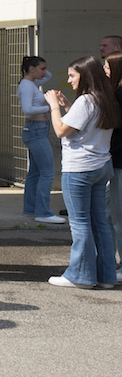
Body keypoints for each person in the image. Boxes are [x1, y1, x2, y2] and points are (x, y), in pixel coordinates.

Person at [45, 56, 120, 288]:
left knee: (80, 223)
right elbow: (88, 126)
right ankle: (106, 276)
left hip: (79, 169)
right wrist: (68, 106)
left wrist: (54, 107)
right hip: (101, 166)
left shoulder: (86, 101)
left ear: (85, 76)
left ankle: (81, 276)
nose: (68, 80)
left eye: (72, 76)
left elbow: (60, 130)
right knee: (100, 222)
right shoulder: (106, 99)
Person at [17, 56, 63, 223]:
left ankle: (30, 209)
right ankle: (43, 212)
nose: (45, 72)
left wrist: (37, 66)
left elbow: (48, 75)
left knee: (35, 172)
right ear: (31, 69)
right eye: (41, 68)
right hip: (36, 131)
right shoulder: (27, 86)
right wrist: (52, 106)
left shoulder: (31, 83)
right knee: (47, 172)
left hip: (37, 130)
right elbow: (28, 110)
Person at [105, 52, 122, 279]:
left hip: (117, 162)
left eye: (108, 67)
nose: (104, 71)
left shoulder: (118, 95)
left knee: (116, 215)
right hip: (115, 161)